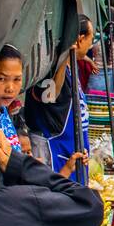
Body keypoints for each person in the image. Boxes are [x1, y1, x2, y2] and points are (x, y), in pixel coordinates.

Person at [22, 18, 93, 181]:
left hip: (72, 154)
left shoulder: (72, 67)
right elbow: (50, 95)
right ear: (80, 40)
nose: (91, 45)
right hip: (54, 155)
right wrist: (64, 55)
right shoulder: (48, 70)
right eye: (91, 38)